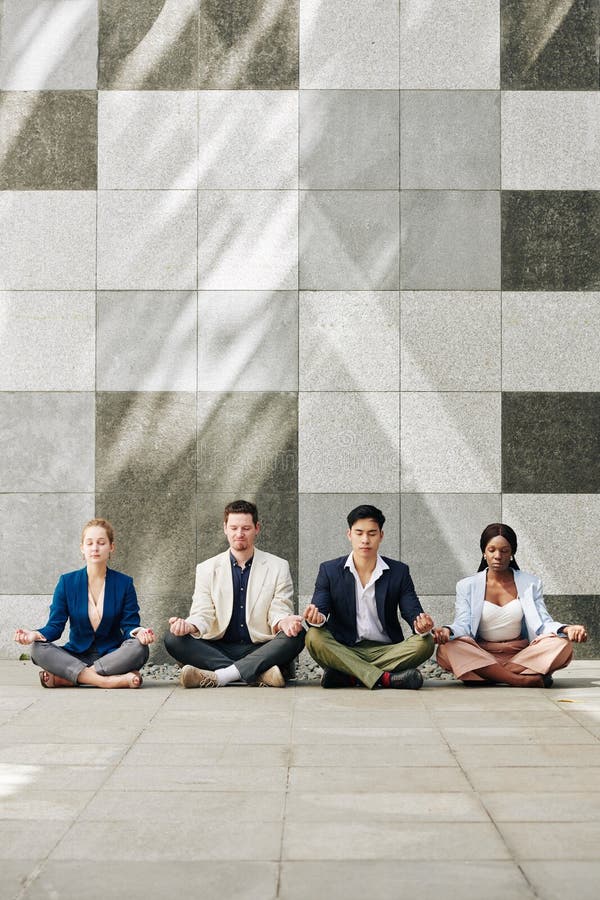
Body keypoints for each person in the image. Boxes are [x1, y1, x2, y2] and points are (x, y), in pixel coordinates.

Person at [164, 500, 304, 688]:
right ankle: (258, 674)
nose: (239, 534)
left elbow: (279, 609)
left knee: (298, 635)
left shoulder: (278, 566)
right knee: (173, 638)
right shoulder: (206, 568)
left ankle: (220, 676)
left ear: (257, 528)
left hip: (259, 646)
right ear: (225, 528)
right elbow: (203, 612)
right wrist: (189, 626)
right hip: (217, 647)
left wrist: (283, 621)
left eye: (246, 528)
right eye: (234, 528)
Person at [434, 523, 588, 687]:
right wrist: (447, 630)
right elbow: (462, 624)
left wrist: (567, 629)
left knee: (562, 644)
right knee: (446, 648)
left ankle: (489, 674)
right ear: (484, 552)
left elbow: (543, 623)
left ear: (512, 553)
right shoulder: (467, 586)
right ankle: (519, 679)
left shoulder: (530, 583)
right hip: (482, 654)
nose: (498, 556)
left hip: (521, 656)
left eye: (504, 550)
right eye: (492, 550)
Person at [303, 505, 435, 689]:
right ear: (349, 534)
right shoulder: (330, 570)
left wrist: (421, 624)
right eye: (359, 533)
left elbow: (412, 610)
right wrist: (316, 618)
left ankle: (349, 676)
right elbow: (320, 606)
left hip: (386, 650)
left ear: (381, 535)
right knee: (313, 636)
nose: (365, 540)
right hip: (344, 648)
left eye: (372, 533)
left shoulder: (398, 571)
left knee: (426, 642)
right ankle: (385, 679)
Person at [14, 518, 154, 688]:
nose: (95, 548)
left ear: (111, 547)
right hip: (76, 654)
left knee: (139, 648)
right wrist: (34, 634)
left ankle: (71, 677)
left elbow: (130, 625)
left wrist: (139, 633)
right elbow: (55, 627)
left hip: (112, 655)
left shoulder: (124, 583)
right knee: (37, 649)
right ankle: (106, 681)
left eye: (101, 543)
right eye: (89, 543)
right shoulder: (67, 582)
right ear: (82, 548)